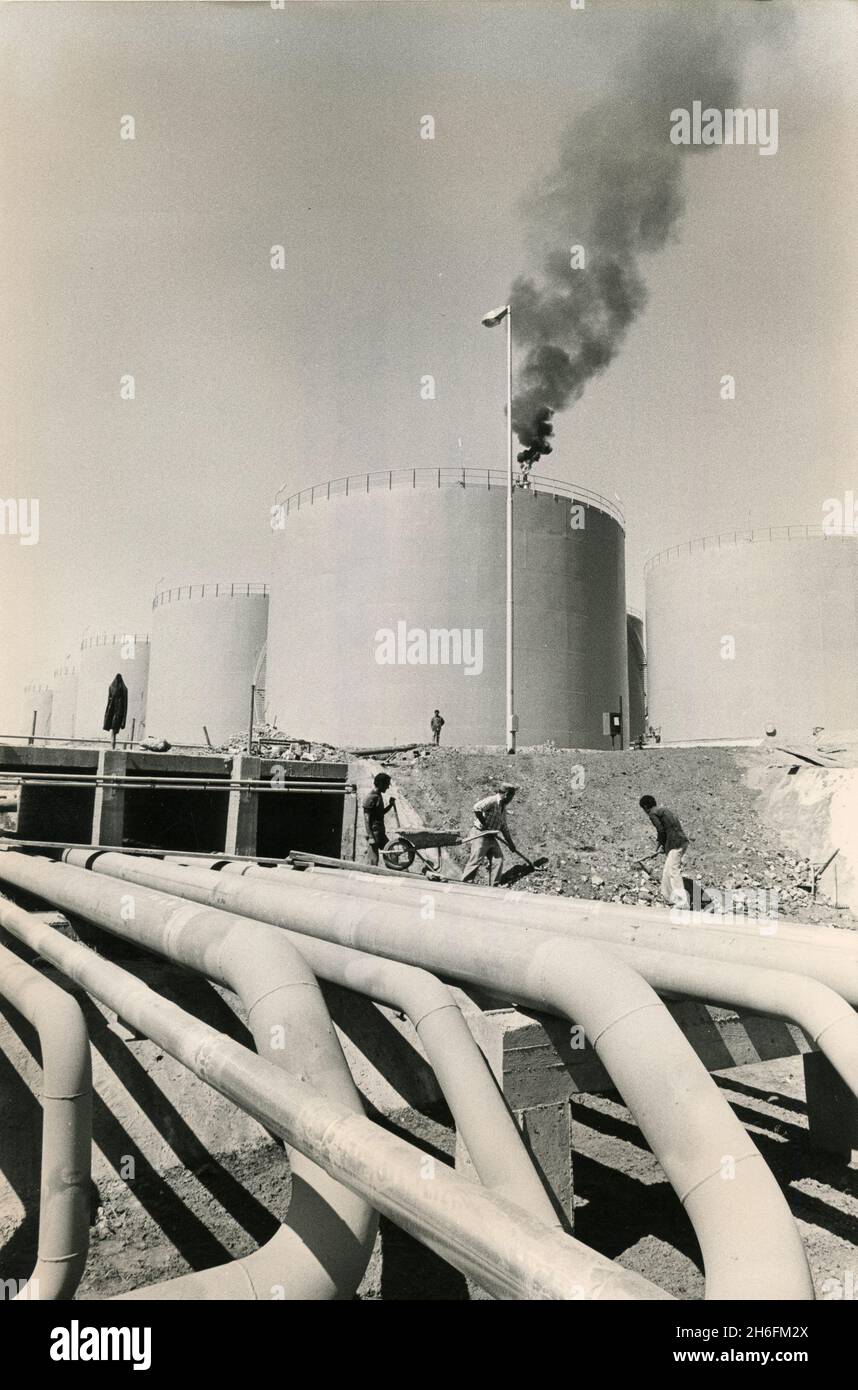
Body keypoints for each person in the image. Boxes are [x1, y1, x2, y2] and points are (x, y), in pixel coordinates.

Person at [462, 783, 518, 886]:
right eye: (511, 796)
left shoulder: (502, 807)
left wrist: (510, 843)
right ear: (506, 794)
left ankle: (494, 885)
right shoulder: (492, 801)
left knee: (498, 858)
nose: (511, 799)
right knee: (476, 859)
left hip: (491, 836)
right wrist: (485, 825)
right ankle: (465, 884)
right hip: (480, 834)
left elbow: (503, 827)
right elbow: (477, 808)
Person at [639, 794, 690, 909]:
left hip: (675, 844)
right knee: (667, 871)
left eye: (643, 809)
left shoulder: (653, 813)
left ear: (646, 807)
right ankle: (668, 897)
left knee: (673, 870)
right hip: (680, 841)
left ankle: (682, 902)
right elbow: (670, 828)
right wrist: (663, 846)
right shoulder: (664, 810)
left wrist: (657, 847)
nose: (645, 812)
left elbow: (661, 831)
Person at [362, 772, 396, 866]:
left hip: (380, 833)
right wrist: (371, 837)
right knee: (373, 860)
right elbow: (366, 819)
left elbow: (380, 813)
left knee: (391, 853)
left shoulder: (378, 795)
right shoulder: (370, 797)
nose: (388, 787)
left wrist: (390, 805)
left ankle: (393, 872)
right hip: (374, 832)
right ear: (380, 783)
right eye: (386, 784)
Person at [103, 673, 128, 750]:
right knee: (114, 731)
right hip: (116, 713)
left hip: (117, 713)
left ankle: (113, 745)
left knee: (114, 731)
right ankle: (112, 745)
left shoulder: (114, 687)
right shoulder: (121, 688)